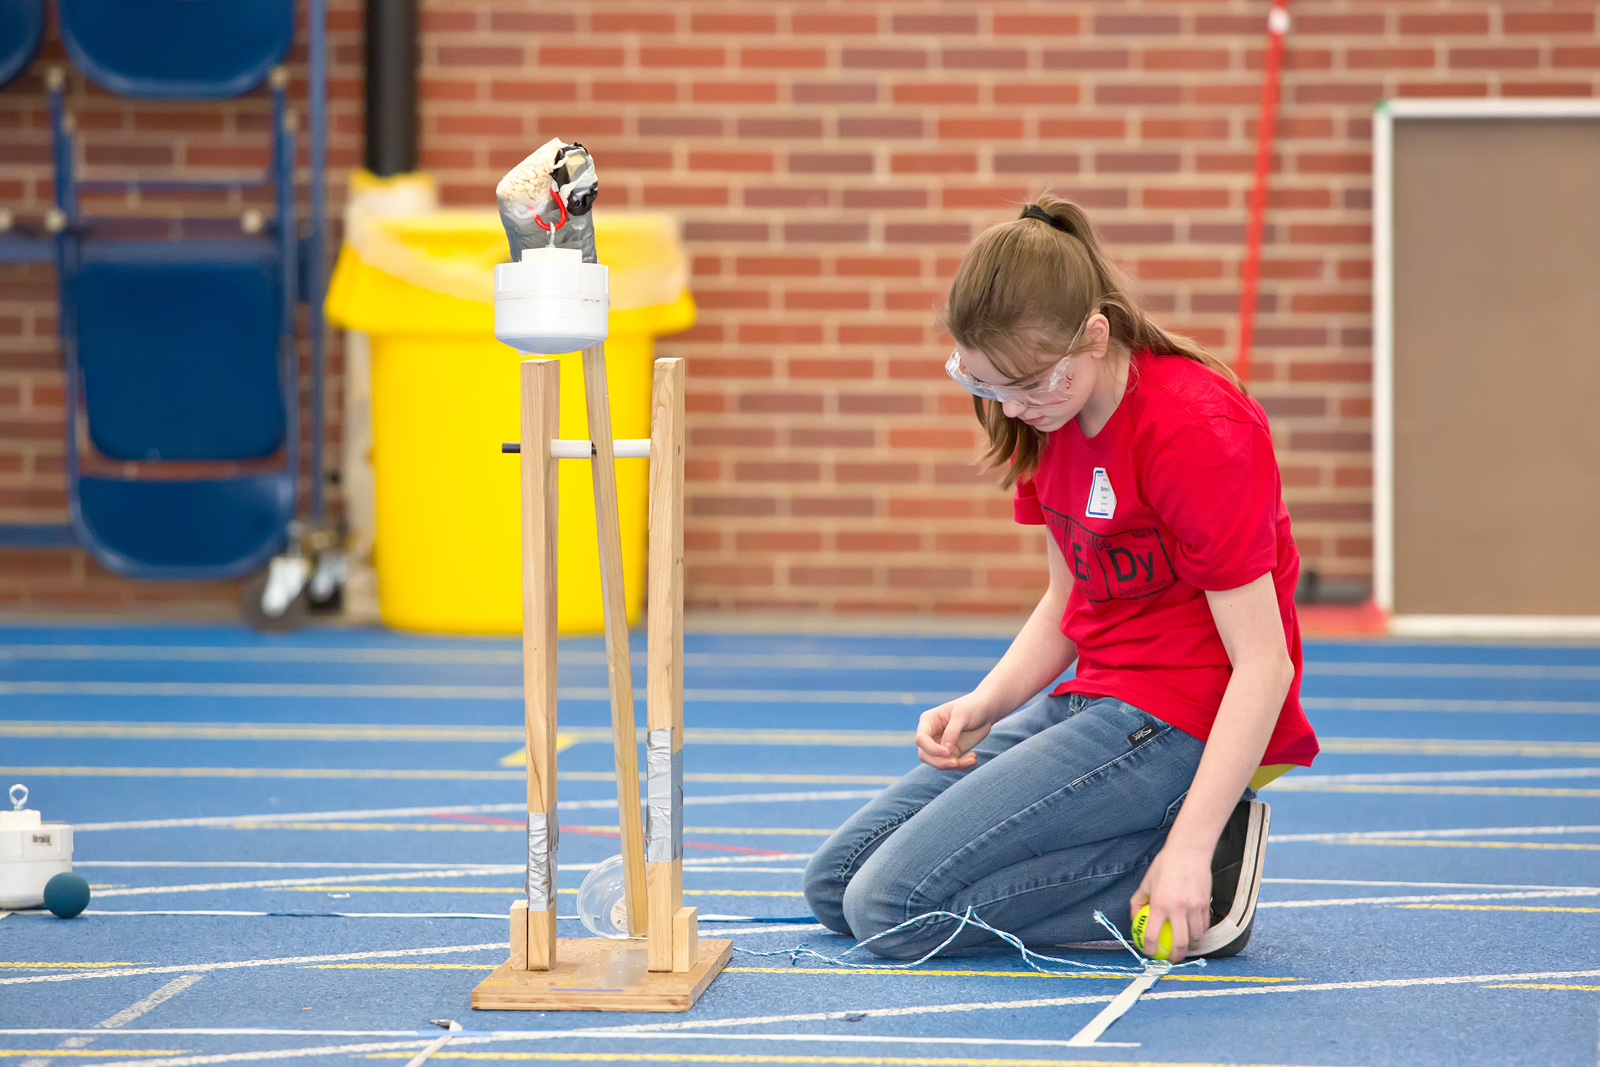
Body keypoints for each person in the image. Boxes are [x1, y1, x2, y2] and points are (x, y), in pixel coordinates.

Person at [803, 194, 1319, 962]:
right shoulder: (1045, 416)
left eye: (1032, 385)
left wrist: (1189, 840)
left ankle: (1203, 861)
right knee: (834, 884)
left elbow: (1264, 662)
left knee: (891, 907)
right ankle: (1144, 844)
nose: (1014, 407)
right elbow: (1068, 598)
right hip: (1095, 701)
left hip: (1180, 718)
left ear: (1095, 336)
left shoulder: (1196, 430)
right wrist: (987, 700)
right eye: (987, 388)